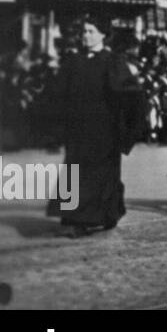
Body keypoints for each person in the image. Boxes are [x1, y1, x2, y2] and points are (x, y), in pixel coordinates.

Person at [45, 16, 145, 237]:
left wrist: (127, 129)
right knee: (75, 172)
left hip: (104, 130)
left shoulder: (113, 61)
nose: (86, 36)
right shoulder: (73, 60)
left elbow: (132, 96)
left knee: (102, 175)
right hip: (78, 128)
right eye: (84, 32)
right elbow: (58, 93)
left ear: (102, 35)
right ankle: (76, 216)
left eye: (91, 31)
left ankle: (101, 216)